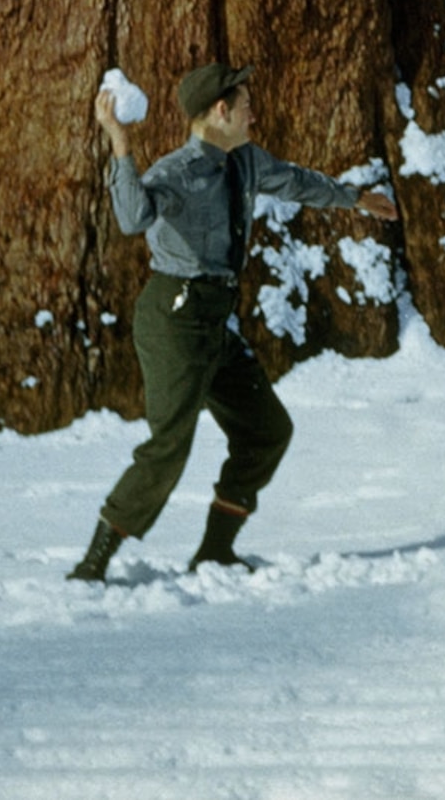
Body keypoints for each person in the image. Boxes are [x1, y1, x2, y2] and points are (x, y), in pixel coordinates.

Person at [66, 61, 400, 582]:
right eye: (246, 105)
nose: (254, 114)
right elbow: (133, 217)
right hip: (174, 318)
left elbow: (294, 181)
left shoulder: (244, 161)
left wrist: (354, 197)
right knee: (168, 448)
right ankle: (93, 563)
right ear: (222, 111)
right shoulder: (174, 173)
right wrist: (120, 145)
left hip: (216, 320)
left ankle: (215, 552)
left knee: (267, 431)